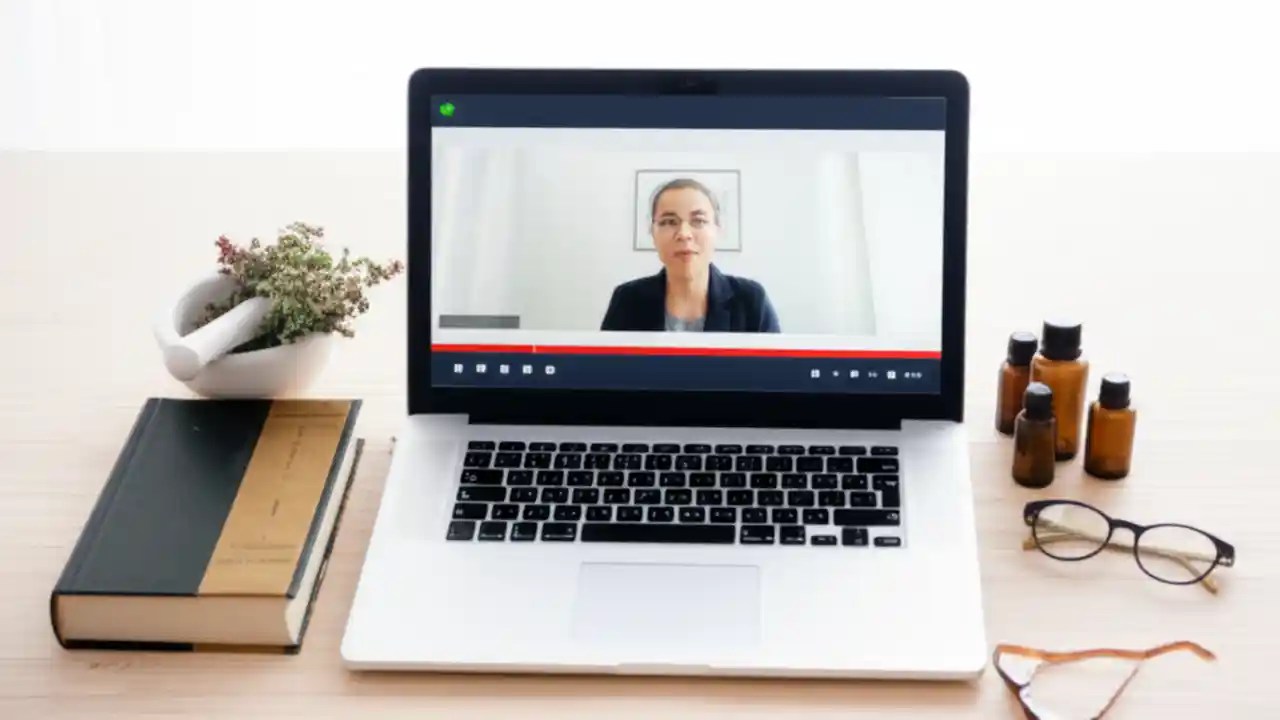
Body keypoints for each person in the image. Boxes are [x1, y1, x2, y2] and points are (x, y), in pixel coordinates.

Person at [601, 178, 781, 333]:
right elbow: (607, 371)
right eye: (669, 221)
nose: (684, 233)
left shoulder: (751, 301)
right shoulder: (627, 300)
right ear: (652, 232)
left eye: (699, 221)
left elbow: (776, 372)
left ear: (717, 230)